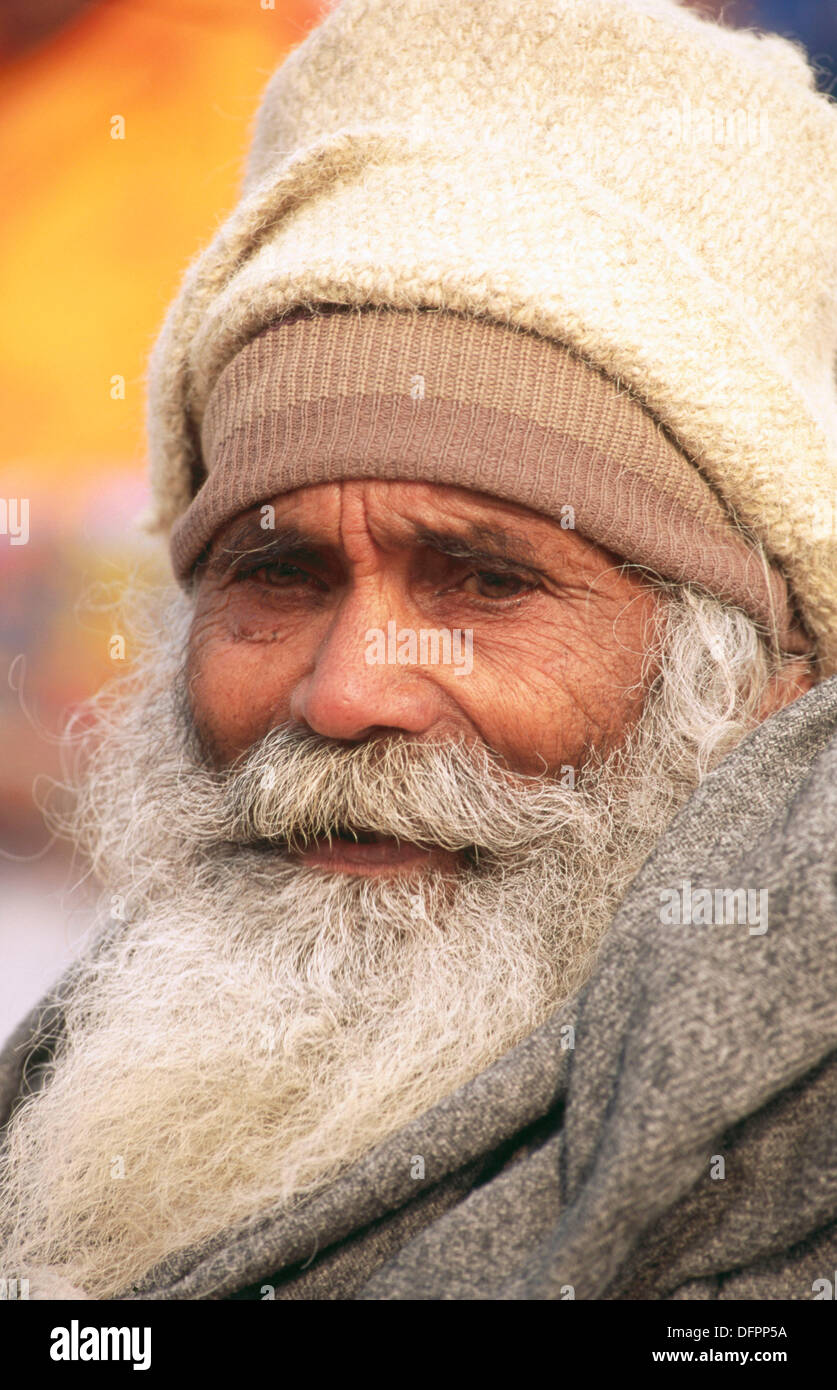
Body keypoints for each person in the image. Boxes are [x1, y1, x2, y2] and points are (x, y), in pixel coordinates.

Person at [1, 0, 836, 1301]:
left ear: (760, 683)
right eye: (276, 572)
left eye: (491, 582)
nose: (342, 692)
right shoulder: (68, 1112)